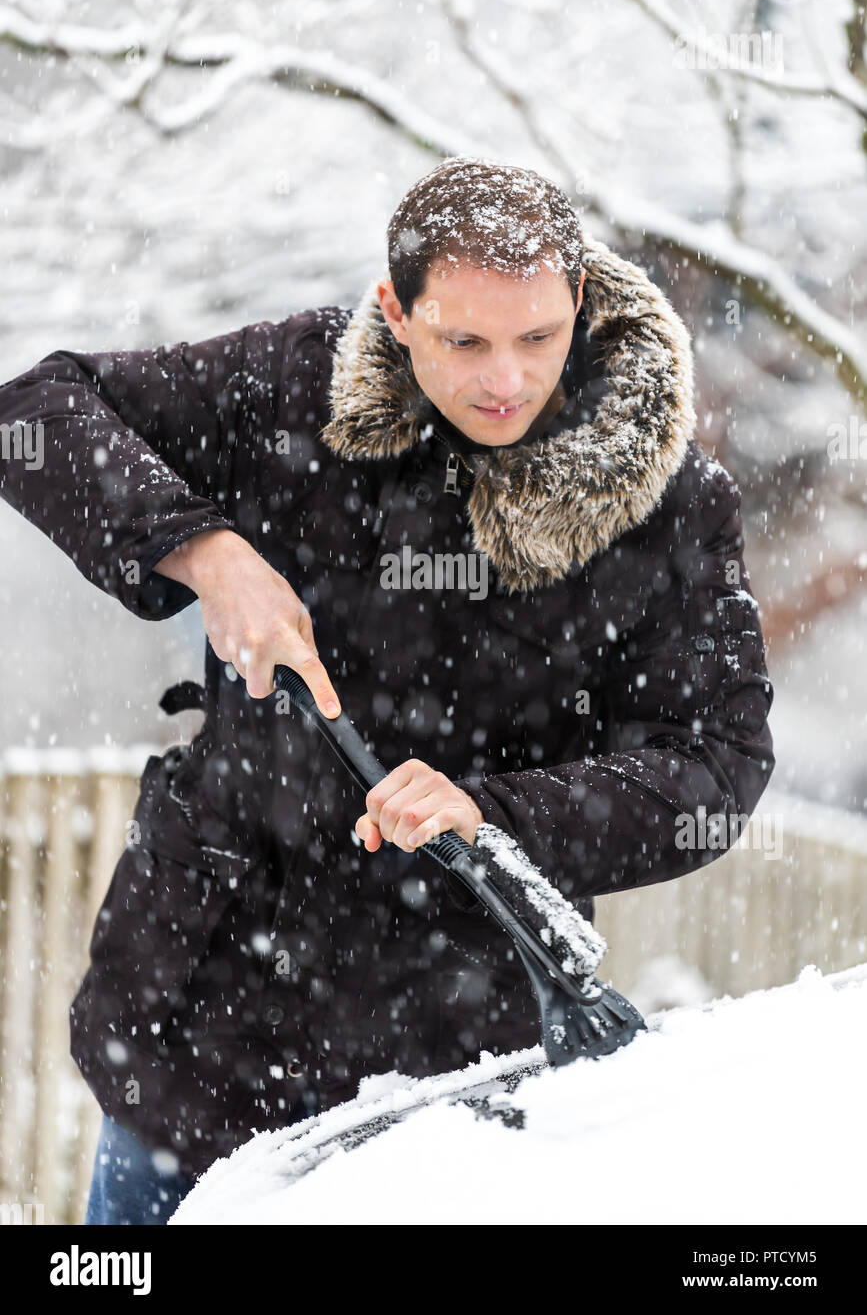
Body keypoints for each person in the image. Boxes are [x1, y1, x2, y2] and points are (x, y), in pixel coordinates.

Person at [0, 156, 774, 1223]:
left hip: (461, 1078)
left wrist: (492, 812)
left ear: (580, 302)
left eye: (537, 337)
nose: (505, 377)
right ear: (395, 313)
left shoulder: (673, 503)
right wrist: (204, 551)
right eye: (464, 340)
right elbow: (34, 411)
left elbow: (716, 771)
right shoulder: (291, 383)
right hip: (199, 1029)